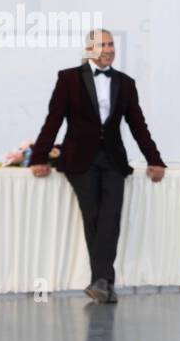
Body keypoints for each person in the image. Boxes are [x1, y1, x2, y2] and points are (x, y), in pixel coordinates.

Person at [30, 28, 166, 303]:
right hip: (80, 159)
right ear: (89, 49)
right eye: (101, 44)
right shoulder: (68, 78)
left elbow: (137, 124)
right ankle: (104, 282)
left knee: (110, 217)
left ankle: (101, 282)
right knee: (92, 215)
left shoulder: (125, 83)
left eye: (111, 44)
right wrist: (40, 156)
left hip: (113, 159)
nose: (108, 49)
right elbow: (53, 119)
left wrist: (155, 159)